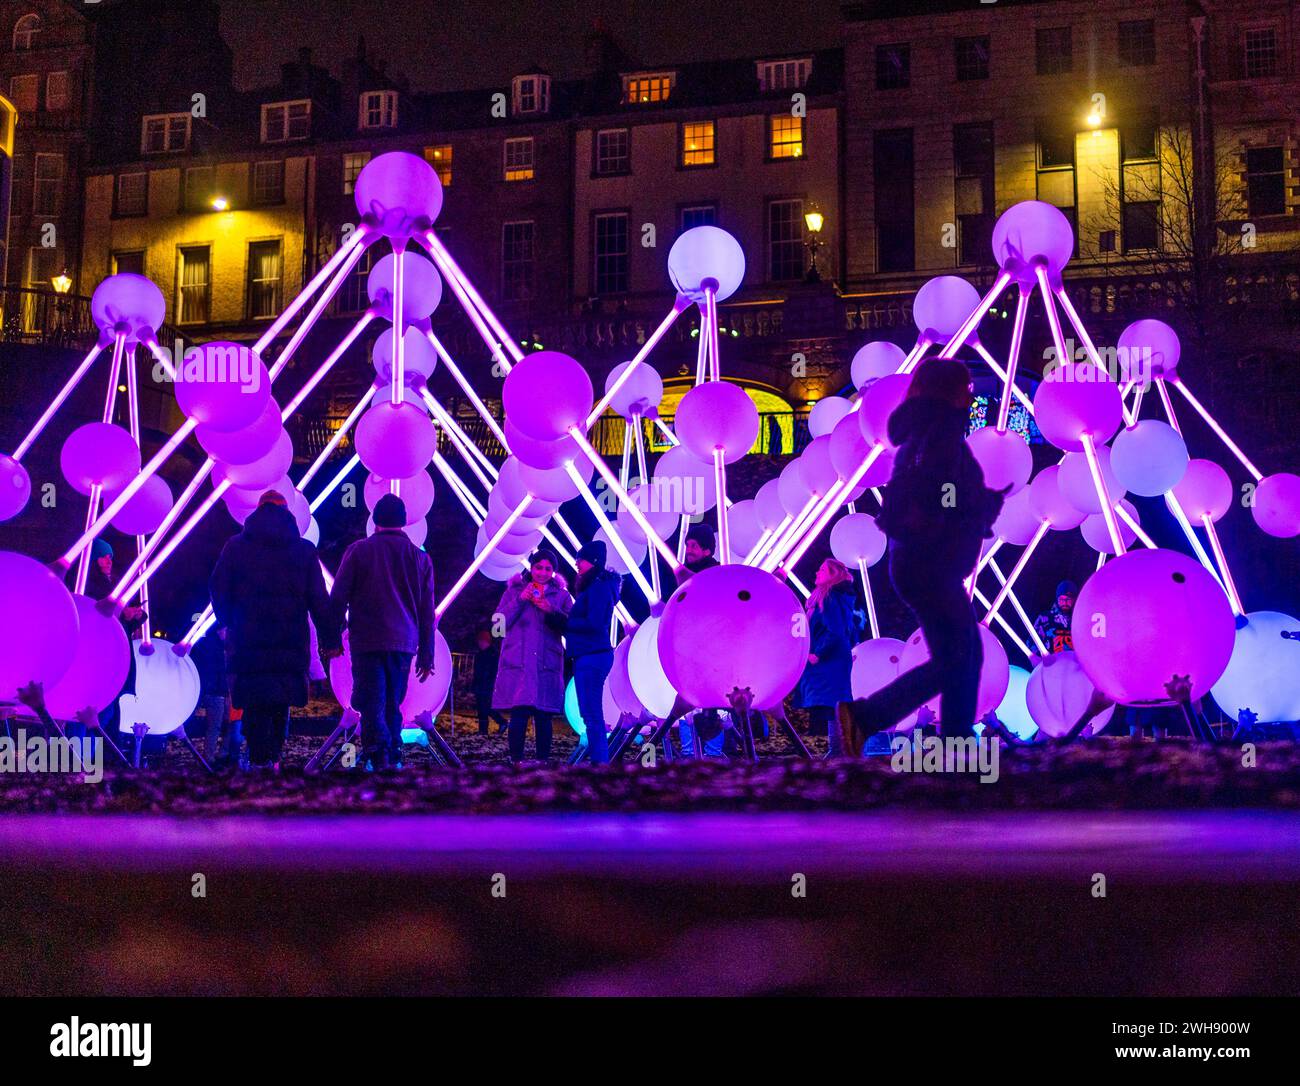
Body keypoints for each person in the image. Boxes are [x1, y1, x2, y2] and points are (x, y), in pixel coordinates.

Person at [837, 357, 1005, 755]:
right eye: (965, 387)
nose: (970, 394)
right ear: (950, 393)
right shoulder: (941, 434)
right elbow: (941, 494)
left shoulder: (916, 436)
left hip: (915, 559)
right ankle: (884, 722)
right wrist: (978, 505)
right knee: (961, 655)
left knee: (959, 655)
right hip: (932, 561)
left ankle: (941, 741)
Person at [210, 490, 335, 771]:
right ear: (287, 511)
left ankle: (257, 757)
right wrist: (330, 638)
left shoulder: (235, 547)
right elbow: (319, 598)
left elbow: (217, 588)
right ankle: (275, 756)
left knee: (254, 700)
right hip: (289, 640)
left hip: (248, 639)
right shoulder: (303, 551)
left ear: (258, 510)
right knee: (281, 700)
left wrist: (228, 620)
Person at [326, 493, 436, 772]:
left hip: (367, 638)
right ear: (403, 522)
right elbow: (427, 611)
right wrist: (426, 653)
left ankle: (378, 753)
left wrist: (331, 639)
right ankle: (393, 751)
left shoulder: (358, 551)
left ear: (375, 520)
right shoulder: (420, 559)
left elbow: (338, 598)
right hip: (404, 641)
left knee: (371, 697)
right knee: (393, 699)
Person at [492, 549, 573, 763]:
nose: (542, 572)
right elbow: (497, 626)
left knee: (543, 715)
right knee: (519, 713)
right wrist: (520, 599)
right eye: (539, 567)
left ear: (553, 572)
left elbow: (570, 627)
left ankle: (542, 760)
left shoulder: (562, 596)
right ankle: (516, 760)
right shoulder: (513, 590)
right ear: (531, 567)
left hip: (546, 663)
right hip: (519, 661)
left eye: (548, 569)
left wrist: (551, 610)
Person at [564, 539, 622, 764]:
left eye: (582, 559)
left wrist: (565, 621)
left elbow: (595, 623)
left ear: (594, 561)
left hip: (592, 654)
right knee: (590, 713)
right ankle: (599, 761)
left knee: (592, 714)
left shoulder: (597, 587)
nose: (577, 563)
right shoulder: (596, 586)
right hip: (590, 654)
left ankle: (600, 763)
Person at [794, 558, 857, 756]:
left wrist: (818, 654)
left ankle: (837, 753)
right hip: (834, 659)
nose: (816, 573)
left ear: (832, 575)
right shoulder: (833, 598)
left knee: (834, 706)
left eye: (822, 570)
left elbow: (835, 631)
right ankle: (838, 751)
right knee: (834, 707)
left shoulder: (828, 598)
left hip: (830, 661)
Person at [193, 625, 242, 768]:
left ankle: (222, 754)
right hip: (215, 692)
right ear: (219, 631)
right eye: (225, 630)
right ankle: (209, 757)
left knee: (230, 724)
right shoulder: (211, 647)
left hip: (226, 691)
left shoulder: (227, 647)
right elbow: (209, 670)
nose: (227, 633)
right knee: (215, 725)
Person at [471, 629, 507, 736]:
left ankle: (501, 722)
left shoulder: (492, 655)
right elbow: (477, 671)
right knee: (482, 708)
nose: (480, 643)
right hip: (481, 684)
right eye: (479, 641)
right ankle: (483, 730)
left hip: (488, 685)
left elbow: (493, 670)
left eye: (482, 641)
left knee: (486, 707)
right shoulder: (481, 655)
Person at [1034, 580, 1077, 656]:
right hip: (1053, 665)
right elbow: (1032, 642)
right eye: (1062, 599)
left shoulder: (1079, 618)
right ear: (1057, 599)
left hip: (1076, 664)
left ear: (1074, 600)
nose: (1065, 603)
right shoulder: (1045, 618)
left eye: (1068, 600)